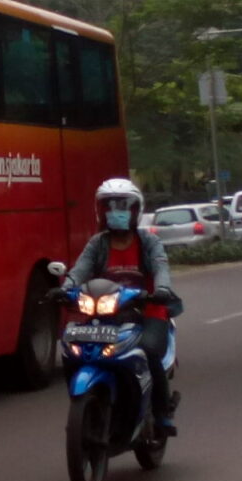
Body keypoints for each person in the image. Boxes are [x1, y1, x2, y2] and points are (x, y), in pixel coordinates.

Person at [65, 178, 182, 435]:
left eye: (122, 206)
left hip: (148, 312)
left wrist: (162, 290)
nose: (115, 212)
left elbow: (161, 267)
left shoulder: (148, 242)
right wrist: (66, 288)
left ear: (135, 210)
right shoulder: (97, 243)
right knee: (73, 348)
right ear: (101, 211)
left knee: (148, 351)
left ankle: (162, 412)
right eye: (109, 206)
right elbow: (80, 269)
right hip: (107, 313)